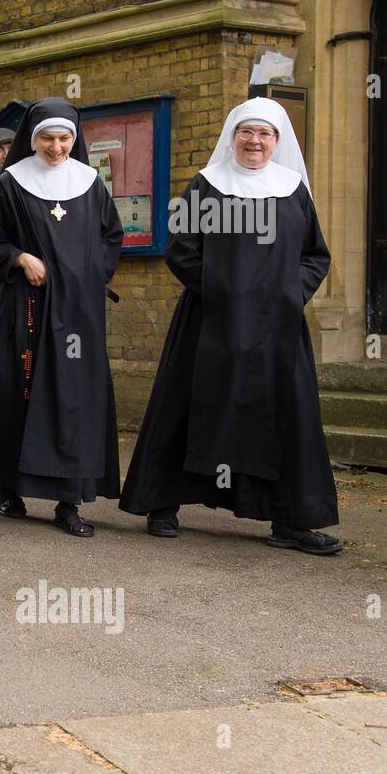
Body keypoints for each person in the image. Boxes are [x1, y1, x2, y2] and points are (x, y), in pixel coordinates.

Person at [119, 98, 341, 554]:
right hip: (210, 320)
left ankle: (291, 521)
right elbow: (181, 249)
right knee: (187, 405)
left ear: (277, 141)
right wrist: (224, 291)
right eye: (246, 132)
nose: (254, 141)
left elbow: (314, 254)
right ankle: (163, 502)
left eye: (264, 134)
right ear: (232, 135)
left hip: (277, 327)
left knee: (287, 414)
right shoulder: (207, 186)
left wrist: (289, 293)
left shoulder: (293, 189)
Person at [0, 97, 123, 537]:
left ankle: (69, 500)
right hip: (24, 308)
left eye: (64, 138)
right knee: (15, 392)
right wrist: (17, 257)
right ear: (33, 140)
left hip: (76, 314)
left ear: (75, 138)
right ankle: (7, 485)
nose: (56, 147)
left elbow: (111, 239)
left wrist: (86, 278)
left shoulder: (90, 183)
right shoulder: (12, 183)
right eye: (47, 138)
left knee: (73, 400)